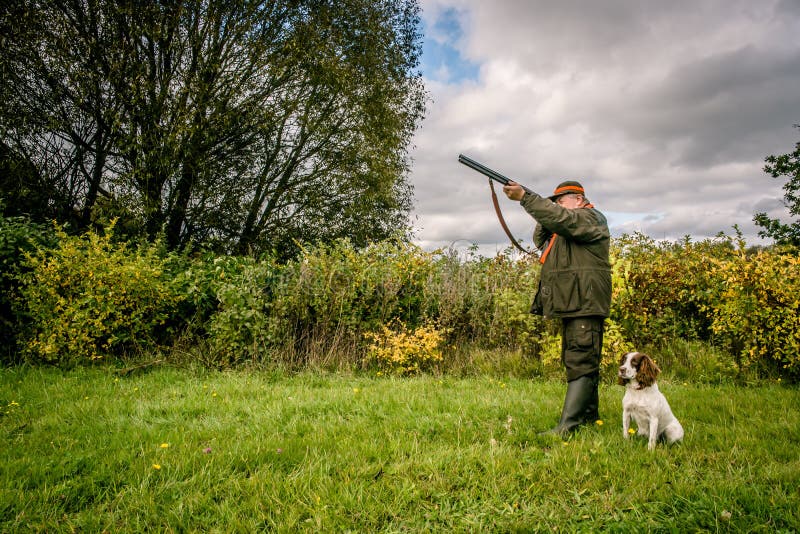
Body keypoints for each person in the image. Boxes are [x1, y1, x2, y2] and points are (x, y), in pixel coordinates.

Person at [503, 179, 612, 435]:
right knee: (580, 358)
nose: (558, 206)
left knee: (581, 358)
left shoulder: (590, 218)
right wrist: (543, 207)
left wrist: (527, 199)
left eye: (561, 200)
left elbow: (564, 220)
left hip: (584, 303)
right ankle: (588, 417)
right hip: (574, 302)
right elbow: (541, 237)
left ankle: (567, 426)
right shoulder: (564, 229)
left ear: (578, 199)